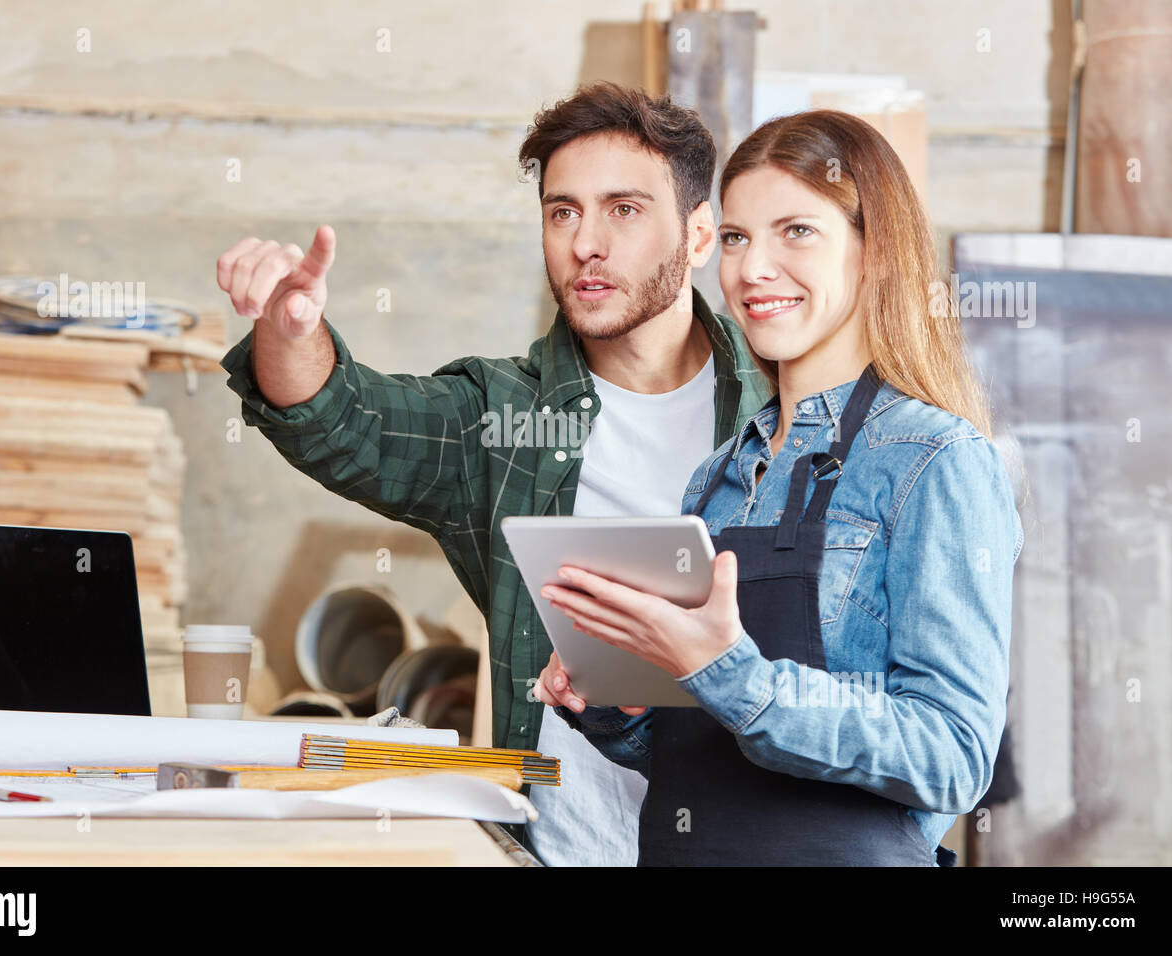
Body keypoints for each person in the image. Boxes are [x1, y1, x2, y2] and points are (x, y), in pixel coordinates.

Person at [215, 82, 771, 865]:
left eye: (624, 209)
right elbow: (342, 418)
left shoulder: (782, 406)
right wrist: (287, 324)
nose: (586, 243)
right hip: (558, 850)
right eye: (562, 211)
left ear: (702, 234)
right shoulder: (502, 421)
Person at [534, 109, 1024, 866]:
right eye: (735, 238)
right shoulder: (720, 476)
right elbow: (699, 759)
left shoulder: (936, 461)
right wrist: (615, 709)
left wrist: (730, 671)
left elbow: (953, 755)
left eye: (796, 231)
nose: (752, 268)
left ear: (875, 252)